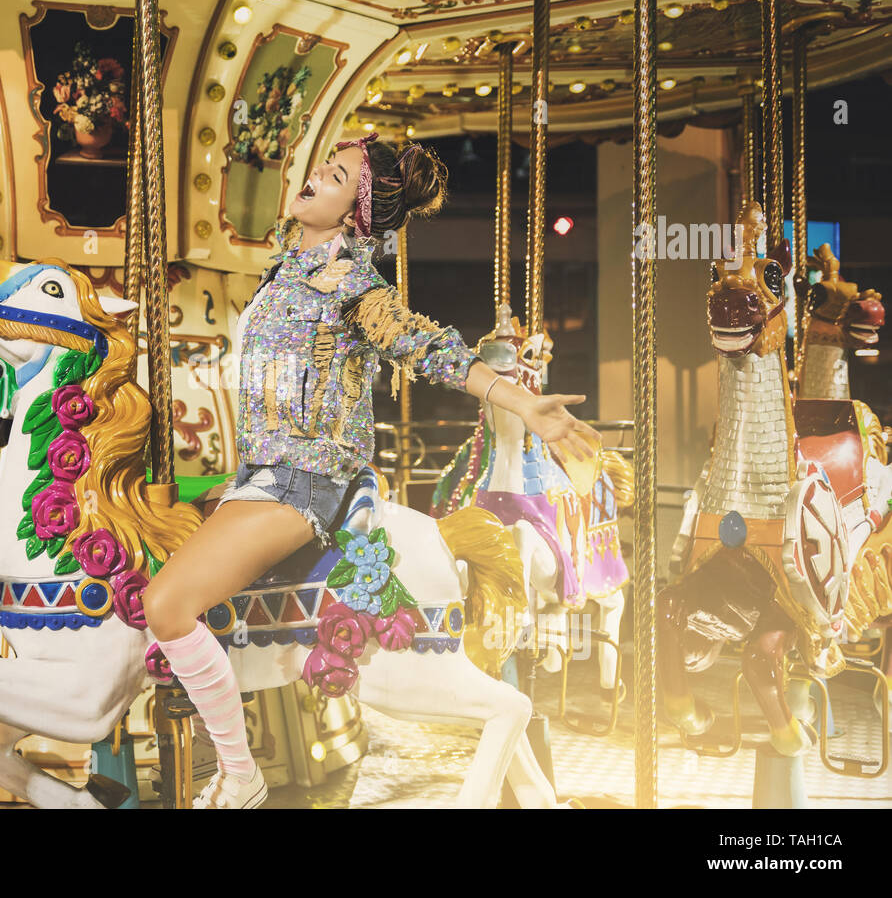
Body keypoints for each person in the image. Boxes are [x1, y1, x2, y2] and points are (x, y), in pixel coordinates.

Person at [141, 132, 597, 808]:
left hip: (304, 484)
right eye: (321, 168)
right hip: (257, 476)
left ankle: (240, 774)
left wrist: (525, 404)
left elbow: (427, 345)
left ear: (356, 213)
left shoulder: (352, 282)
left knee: (165, 604)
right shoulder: (285, 271)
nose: (314, 177)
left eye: (335, 176)